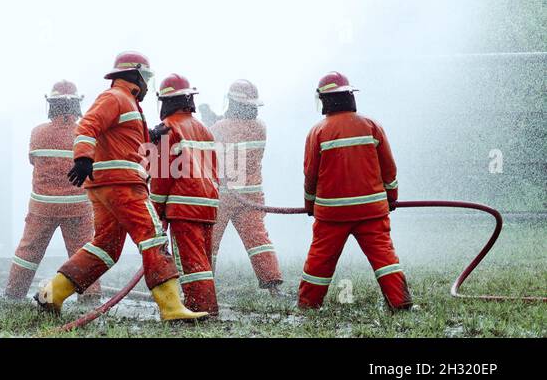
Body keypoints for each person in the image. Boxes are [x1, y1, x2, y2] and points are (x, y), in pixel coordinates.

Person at [34, 51, 205, 322]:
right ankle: (172, 308)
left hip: (106, 186)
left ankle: (52, 293)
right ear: (134, 74)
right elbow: (87, 126)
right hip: (123, 185)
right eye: (146, 76)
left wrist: (150, 136)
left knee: (106, 246)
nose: (148, 84)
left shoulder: (126, 102)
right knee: (153, 237)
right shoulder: (115, 97)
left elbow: (121, 140)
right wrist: (82, 158)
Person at [299, 72, 412, 311]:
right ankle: (400, 302)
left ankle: (308, 305)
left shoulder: (317, 132)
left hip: (332, 214)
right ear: (349, 95)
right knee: (385, 258)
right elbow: (388, 169)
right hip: (371, 210)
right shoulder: (371, 126)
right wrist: (391, 198)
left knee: (320, 261)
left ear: (324, 100)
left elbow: (311, 175)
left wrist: (310, 205)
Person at [3, 81, 100, 300]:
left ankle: (14, 293)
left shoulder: (38, 133)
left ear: (51, 105)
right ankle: (90, 297)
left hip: (42, 207)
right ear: (76, 105)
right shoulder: (85, 134)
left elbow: (33, 161)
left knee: (28, 252)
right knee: (83, 252)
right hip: (77, 207)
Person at [147, 73, 220, 315]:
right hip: (207, 207)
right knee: (203, 260)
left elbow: (161, 177)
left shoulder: (168, 129)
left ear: (165, 102)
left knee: (192, 263)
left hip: (183, 209)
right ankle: (207, 306)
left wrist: (157, 214)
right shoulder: (204, 130)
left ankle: (201, 308)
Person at [209, 79, 283, 294]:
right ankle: (273, 286)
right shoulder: (261, 127)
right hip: (250, 196)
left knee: (210, 242)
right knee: (258, 239)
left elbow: (215, 138)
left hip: (222, 196)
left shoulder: (218, 128)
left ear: (231, 102)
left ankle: (203, 286)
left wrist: (209, 121)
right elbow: (233, 131)